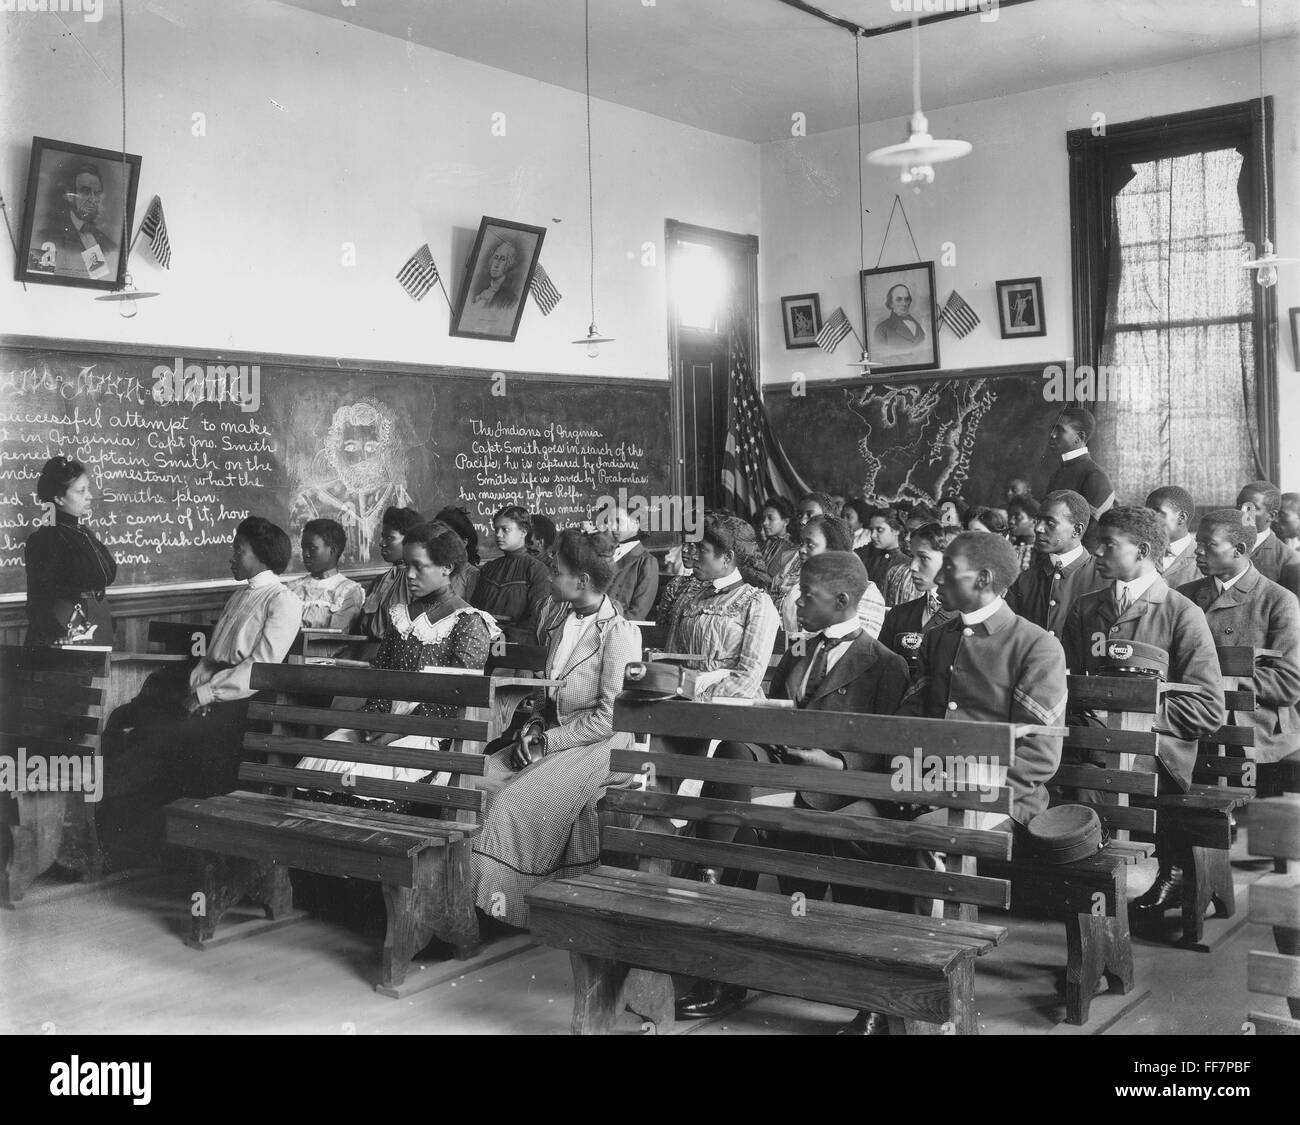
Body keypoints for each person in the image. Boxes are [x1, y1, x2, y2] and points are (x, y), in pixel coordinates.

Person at [674, 551, 910, 1024]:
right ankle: (715, 880)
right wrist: (763, 722)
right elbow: (779, 706)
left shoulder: (886, 664)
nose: (796, 602)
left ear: (842, 600)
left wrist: (835, 760)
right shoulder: (803, 648)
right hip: (784, 770)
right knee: (735, 755)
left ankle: (713, 879)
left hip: (836, 785)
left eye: (809, 595)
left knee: (745, 825)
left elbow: (887, 751)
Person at [469, 530, 642, 928]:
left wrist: (547, 741)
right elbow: (545, 697)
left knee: (511, 802)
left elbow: (610, 716)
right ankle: (470, 898)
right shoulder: (558, 619)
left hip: (604, 745)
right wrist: (533, 729)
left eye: (556, 570)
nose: (549, 576)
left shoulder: (617, 633)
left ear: (581, 581)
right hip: (554, 735)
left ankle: (505, 908)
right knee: (478, 781)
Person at [1060, 506, 1224, 919]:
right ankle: (1075, 878)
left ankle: (1094, 897)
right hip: (1091, 739)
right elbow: (1068, 684)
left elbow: (1208, 708)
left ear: (1143, 551)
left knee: (1091, 774)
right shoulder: (1085, 608)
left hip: (1158, 750)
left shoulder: (1181, 612)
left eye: (1109, 544)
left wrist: (1132, 717)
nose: (1095, 551)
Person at [297, 522, 500, 795]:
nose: (410, 575)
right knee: (322, 759)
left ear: (447, 567)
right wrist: (374, 723)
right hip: (386, 724)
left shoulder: (468, 622)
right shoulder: (401, 616)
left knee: (362, 777)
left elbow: (453, 700)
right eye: (406, 566)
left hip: (432, 732)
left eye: (419, 566)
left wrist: (396, 730)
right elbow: (382, 680)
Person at [160, 518, 302, 798]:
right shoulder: (239, 596)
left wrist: (206, 695)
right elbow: (211, 658)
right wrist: (197, 689)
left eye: (239, 551)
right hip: (213, 694)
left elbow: (260, 668)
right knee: (148, 727)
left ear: (262, 556)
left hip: (246, 701)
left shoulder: (282, 599)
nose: (232, 558)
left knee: (174, 742)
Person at [1181, 510, 1300, 801]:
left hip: (1256, 739)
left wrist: (1217, 678)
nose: (1197, 551)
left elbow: (1289, 684)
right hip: (1196, 732)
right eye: (1198, 543)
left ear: (1240, 550)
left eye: (1209, 544)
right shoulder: (1184, 595)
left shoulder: (1279, 601)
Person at [290, 399, 414, 562]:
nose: (363, 457)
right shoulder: (311, 503)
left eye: (371, 448)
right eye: (351, 447)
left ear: (382, 452)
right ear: (335, 451)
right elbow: (299, 561)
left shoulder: (397, 497)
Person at [24, 456, 118, 647]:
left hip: (93, 629)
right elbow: (39, 601)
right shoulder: (46, 539)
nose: (89, 496)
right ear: (58, 498)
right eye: (81, 491)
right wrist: (58, 635)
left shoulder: (81, 532)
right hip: (66, 637)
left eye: (88, 489)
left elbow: (104, 575)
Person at [1005, 489, 1104, 640]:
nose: (1038, 528)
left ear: (1076, 530)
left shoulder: (1104, 580)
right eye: (1038, 520)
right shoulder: (1024, 580)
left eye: (1050, 523)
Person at [782, 515, 885, 639]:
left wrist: (796, 640)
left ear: (834, 549)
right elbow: (794, 646)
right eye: (801, 543)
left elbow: (858, 647)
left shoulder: (865, 593)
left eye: (810, 544)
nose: (801, 550)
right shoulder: (799, 587)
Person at [878, 522, 957, 675]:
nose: (912, 566)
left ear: (950, 561)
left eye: (923, 557)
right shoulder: (897, 615)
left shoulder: (966, 618)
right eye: (912, 557)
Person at [470, 506, 553, 644]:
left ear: (523, 532)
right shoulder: (489, 568)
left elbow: (535, 621)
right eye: (496, 530)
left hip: (515, 648)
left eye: (505, 529)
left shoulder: (537, 570)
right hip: (482, 643)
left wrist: (501, 639)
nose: (498, 534)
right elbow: (474, 611)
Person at [32, 161, 118, 280]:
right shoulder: (46, 237)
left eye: (97, 193)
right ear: (69, 195)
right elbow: (39, 276)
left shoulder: (108, 245)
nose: (93, 199)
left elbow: (101, 278)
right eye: (86, 191)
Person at [1045, 407, 1115, 550]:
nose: (1052, 435)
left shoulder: (1094, 476)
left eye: (1060, 430)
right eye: (1053, 429)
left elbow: (1089, 536)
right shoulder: (1059, 471)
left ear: (1080, 437)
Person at [286, 519, 365, 637]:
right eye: (303, 548)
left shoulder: (348, 591)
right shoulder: (292, 587)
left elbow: (334, 637)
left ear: (332, 550)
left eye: (312, 548)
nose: (305, 554)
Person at [359, 506, 423, 642]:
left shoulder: (416, 582)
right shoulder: (380, 581)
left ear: (410, 540)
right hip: (367, 651)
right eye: (382, 537)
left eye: (389, 538)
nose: (381, 543)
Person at [1237, 480, 1300, 599]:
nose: (1241, 512)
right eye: (1239, 504)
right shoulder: (1220, 545)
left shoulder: (1289, 561)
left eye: (1251, 508)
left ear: (1271, 516)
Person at [600, 505, 659, 621]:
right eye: (609, 522)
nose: (613, 527)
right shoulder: (604, 555)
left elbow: (638, 613)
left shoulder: (647, 562)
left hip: (621, 630)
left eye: (618, 521)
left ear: (636, 524)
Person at [1146, 486, 1199, 590]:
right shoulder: (1140, 553)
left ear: (1182, 517)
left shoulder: (1204, 558)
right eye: (1147, 513)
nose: (1148, 519)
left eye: (1157, 512)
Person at [857, 509, 909, 599]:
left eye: (879, 530)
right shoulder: (866, 555)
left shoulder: (906, 563)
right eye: (871, 530)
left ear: (896, 530)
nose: (873, 535)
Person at [434, 505, 482, 602]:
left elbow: (472, 612)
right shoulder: (430, 569)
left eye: (447, 537)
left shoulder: (471, 575)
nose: (440, 542)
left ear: (463, 543)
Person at [757, 495, 800, 586]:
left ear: (786, 521)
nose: (764, 523)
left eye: (770, 518)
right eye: (764, 518)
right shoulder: (763, 545)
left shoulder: (792, 549)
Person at [873, 284, 927, 351]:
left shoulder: (917, 324)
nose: (904, 303)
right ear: (891, 303)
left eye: (906, 299)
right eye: (899, 299)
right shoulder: (881, 329)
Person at [1006, 494, 1039, 572]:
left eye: (1018, 517)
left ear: (1034, 520)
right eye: (1009, 516)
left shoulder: (1042, 553)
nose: (1011, 521)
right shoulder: (1005, 546)